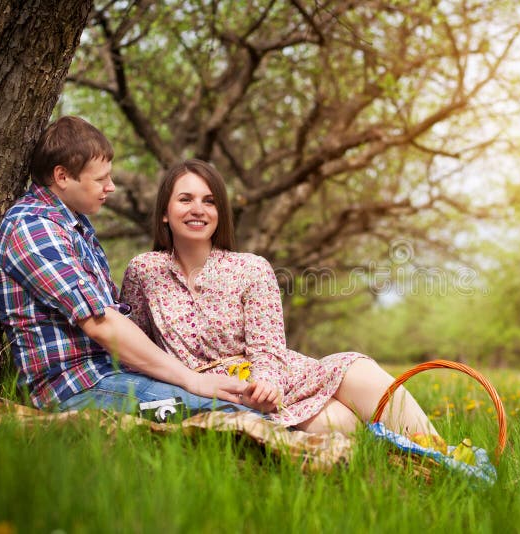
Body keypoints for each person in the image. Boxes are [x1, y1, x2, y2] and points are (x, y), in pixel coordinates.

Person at [121, 158, 441, 437]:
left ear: (221, 212)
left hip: (274, 381)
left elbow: (268, 349)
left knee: (357, 368)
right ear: (165, 212)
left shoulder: (251, 268)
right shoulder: (144, 271)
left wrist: (267, 385)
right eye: (185, 199)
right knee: (341, 425)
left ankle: (447, 457)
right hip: (216, 395)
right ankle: (402, 463)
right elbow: (134, 346)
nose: (198, 210)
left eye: (210, 201)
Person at [0, 116, 257, 415]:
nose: (111, 186)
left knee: (243, 405)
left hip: (109, 375)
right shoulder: (32, 228)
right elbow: (102, 324)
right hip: (76, 386)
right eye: (101, 179)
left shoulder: (73, 225)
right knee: (232, 414)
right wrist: (192, 380)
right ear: (63, 176)